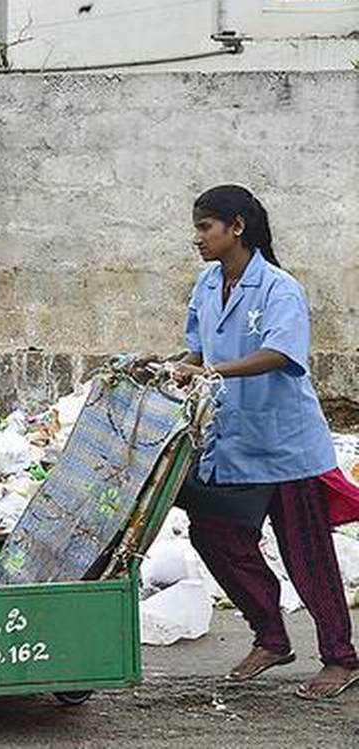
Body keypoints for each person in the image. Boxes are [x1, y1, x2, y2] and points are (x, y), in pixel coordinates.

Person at [173, 184, 359, 700]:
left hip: (285, 443)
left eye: (205, 227)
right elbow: (197, 350)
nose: (197, 238)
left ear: (236, 227)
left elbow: (281, 352)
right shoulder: (208, 284)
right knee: (213, 533)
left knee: (307, 554)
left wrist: (212, 371)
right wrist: (171, 367)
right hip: (232, 439)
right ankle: (271, 636)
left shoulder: (280, 288)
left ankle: (340, 658)